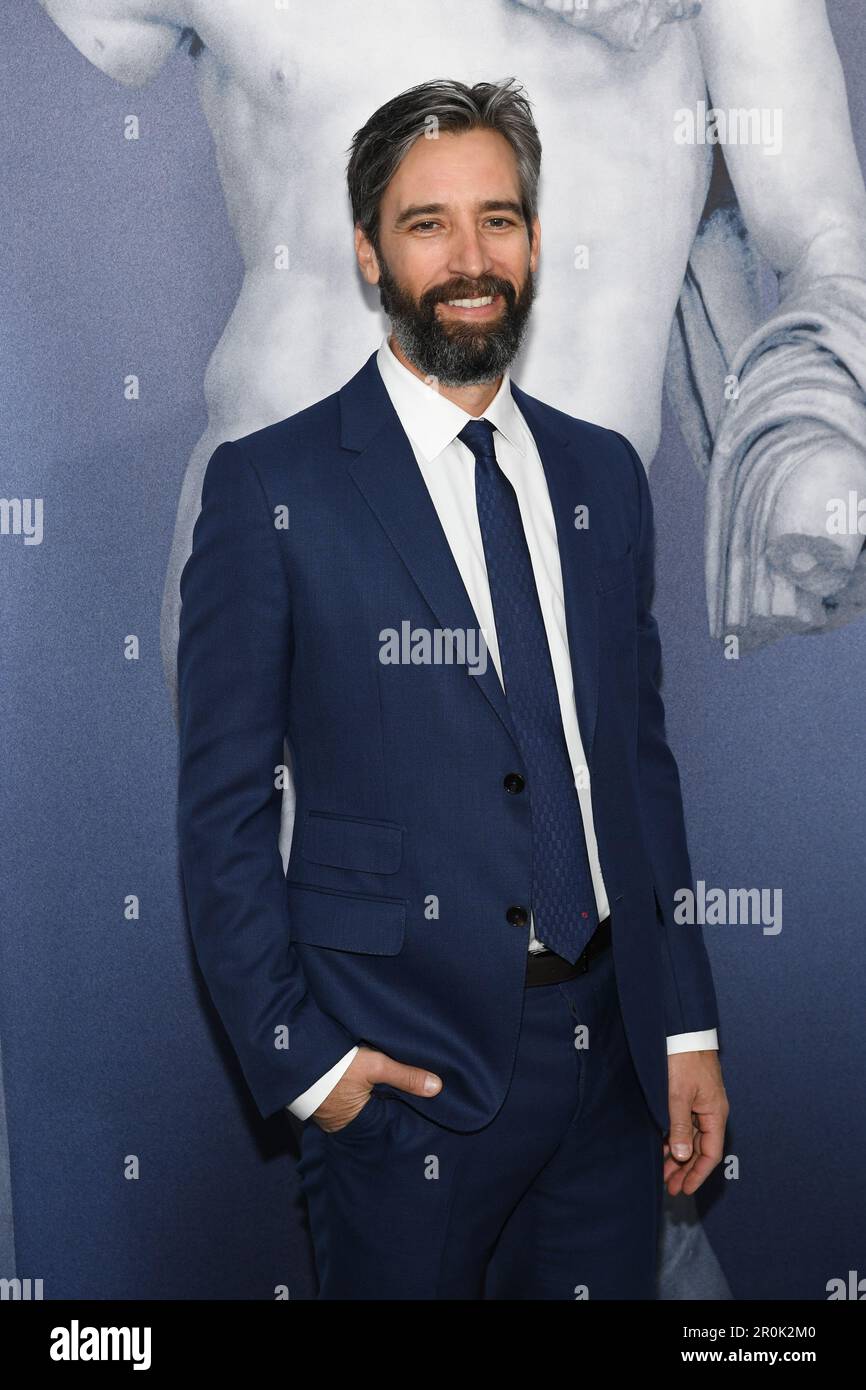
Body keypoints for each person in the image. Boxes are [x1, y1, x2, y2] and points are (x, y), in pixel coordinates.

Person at [176, 77, 729, 1300]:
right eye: (428, 223)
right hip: (403, 1077)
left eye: (499, 218)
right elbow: (219, 819)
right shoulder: (272, 490)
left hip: (613, 1063)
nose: (470, 256)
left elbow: (634, 766)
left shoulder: (600, 476)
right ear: (369, 253)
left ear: (534, 241)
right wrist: (314, 1072)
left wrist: (680, 1023)